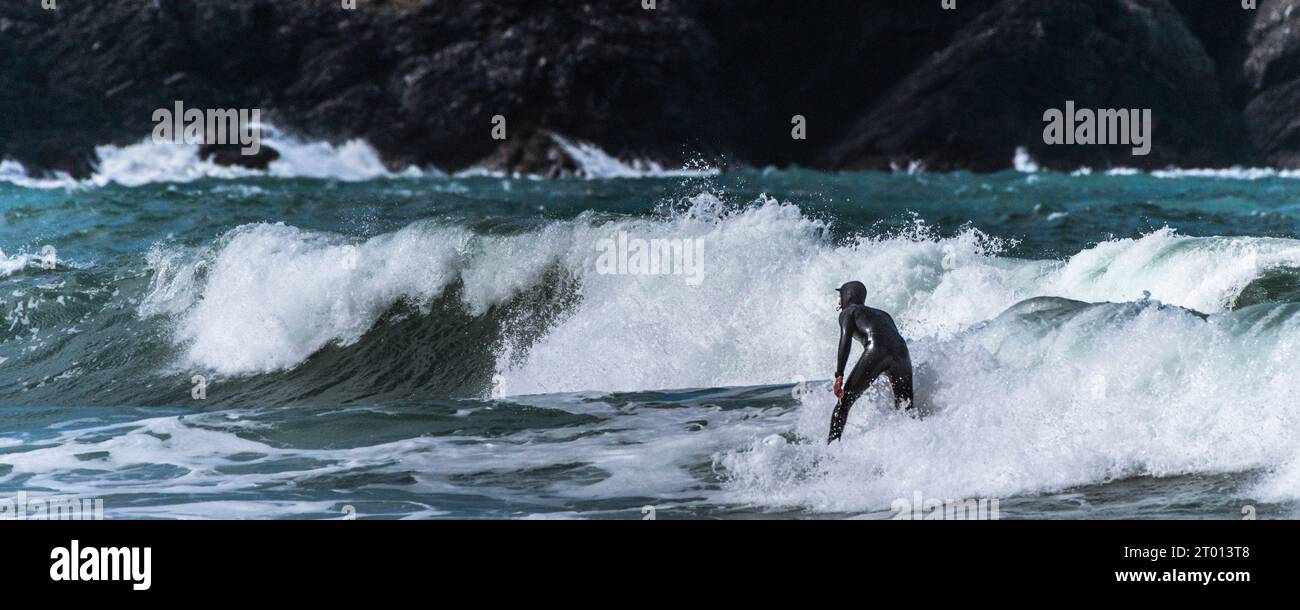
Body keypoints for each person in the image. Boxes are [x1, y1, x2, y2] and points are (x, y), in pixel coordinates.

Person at [828, 281, 914, 443]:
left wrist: (839, 374)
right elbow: (891, 341)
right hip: (902, 353)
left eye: (840, 296)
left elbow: (845, 341)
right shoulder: (883, 314)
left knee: (843, 403)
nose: (839, 301)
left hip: (877, 349)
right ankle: (911, 447)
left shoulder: (849, 312)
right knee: (906, 407)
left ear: (848, 295)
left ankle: (830, 452)